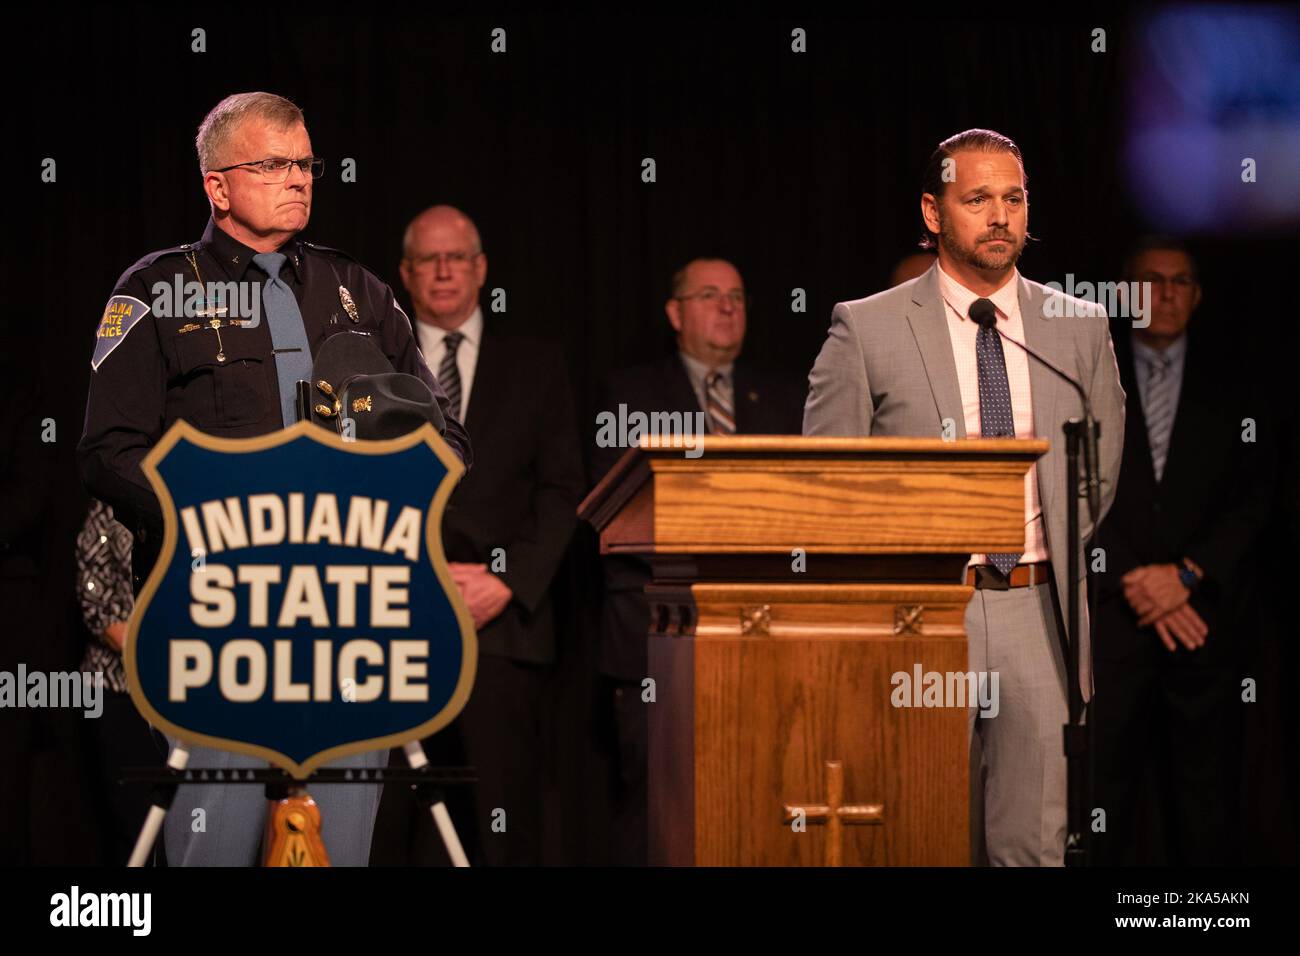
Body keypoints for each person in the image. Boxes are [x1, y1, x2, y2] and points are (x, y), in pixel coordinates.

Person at [76, 91, 470, 866]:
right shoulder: (158, 291)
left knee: (342, 846)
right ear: (217, 186)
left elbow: (447, 439)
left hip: (353, 618)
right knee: (214, 846)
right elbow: (106, 449)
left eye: (305, 164)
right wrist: (213, 517)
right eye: (273, 164)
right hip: (216, 615)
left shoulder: (358, 289)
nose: (298, 179)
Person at [804, 129, 1126, 865]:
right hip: (921, 616)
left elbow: (1099, 470)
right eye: (977, 198)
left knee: (1030, 847)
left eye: (1013, 199)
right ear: (932, 210)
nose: (1000, 217)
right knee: (920, 835)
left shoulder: (1078, 328)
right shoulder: (867, 327)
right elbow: (827, 485)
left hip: (1040, 612)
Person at [374, 205, 584, 865]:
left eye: (457, 257)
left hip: (500, 631)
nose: (443, 271)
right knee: (390, 827)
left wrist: (507, 582)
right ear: (406, 275)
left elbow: (563, 492)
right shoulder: (368, 368)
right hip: (392, 629)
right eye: (429, 259)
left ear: (480, 269)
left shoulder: (539, 366)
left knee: (501, 824)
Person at [590, 257, 805, 864]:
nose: (728, 306)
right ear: (675, 312)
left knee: (759, 807)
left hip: (768, 641)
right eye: (710, 295)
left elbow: (802, 508)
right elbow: (615, 511)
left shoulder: (789, 398)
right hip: (658, 641)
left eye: (737, 295)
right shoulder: (630, 394)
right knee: (661, 819)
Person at [1090, 237, 1274, 864]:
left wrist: (1188, 576)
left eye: (1179, 282)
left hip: (1207, 629)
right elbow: (1071, 489)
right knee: (1101, 806)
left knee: (1206, 809)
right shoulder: (1089, 369)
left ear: (1196, 296)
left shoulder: (1241, 384)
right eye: (1150, 281)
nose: (1164, 294)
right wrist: (1138, 580)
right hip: (1111, 623)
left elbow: (1257, 498)